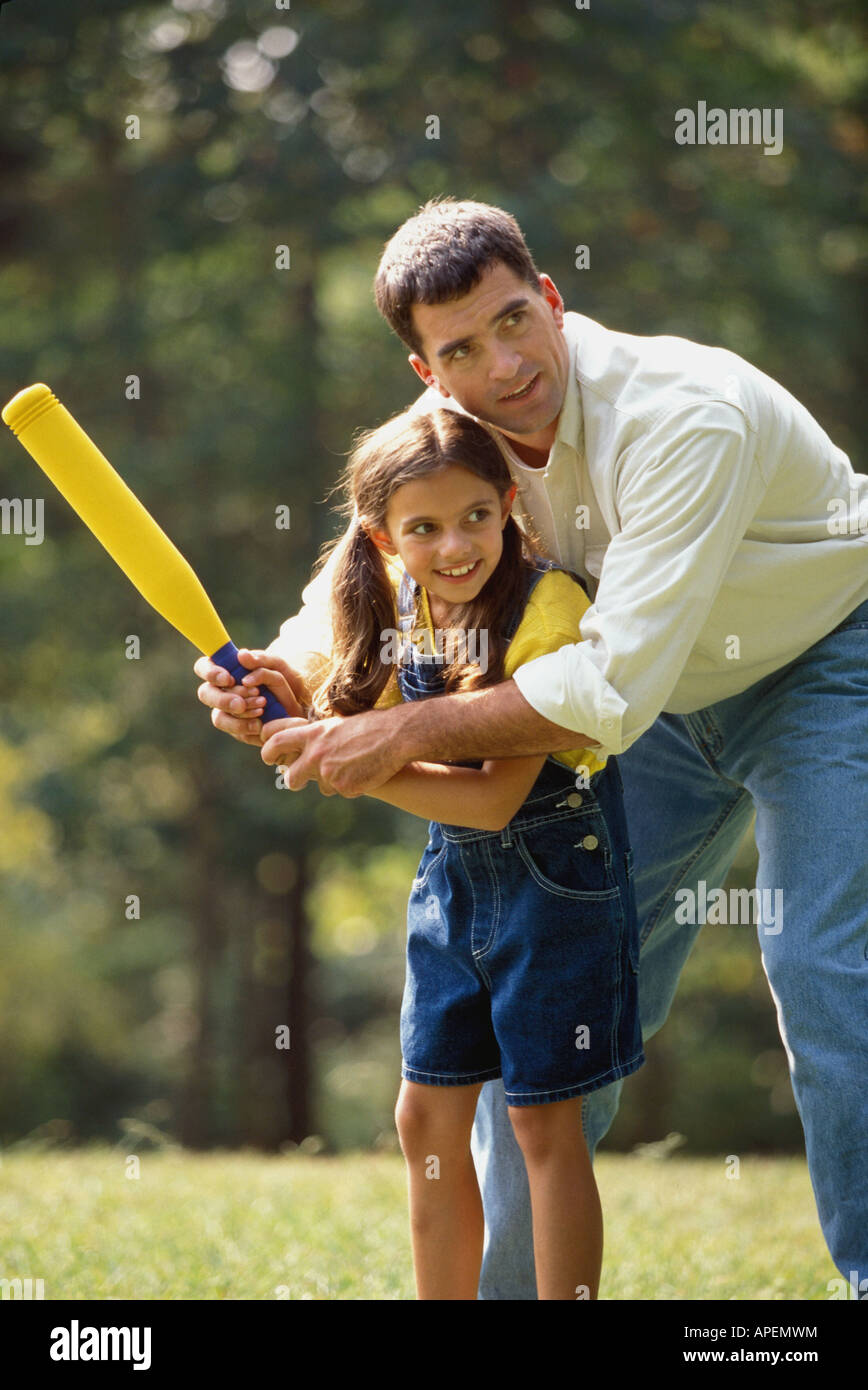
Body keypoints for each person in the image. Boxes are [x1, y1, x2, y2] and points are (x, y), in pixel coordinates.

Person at [196, 199, 868, 1299]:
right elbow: (365, 573)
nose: (504, 366)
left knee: (825, 968)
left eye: (515, 322)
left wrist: (389, 732)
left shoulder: (685, 414)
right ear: (426, 372)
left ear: (550, 299)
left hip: (821, 660)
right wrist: (287, 674)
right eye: (460, 349)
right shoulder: (460, 441)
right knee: (539, 1004)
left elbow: (600, 689)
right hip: (632, 705)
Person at [242, 405, 643, 1299]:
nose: (456, 545)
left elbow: (499, 796)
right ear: (384, 536)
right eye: (423, 528)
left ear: (510, 506)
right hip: (452, 885)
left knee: (544, 1125)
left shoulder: (548, 607)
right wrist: (281, 705)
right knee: (425, 1116)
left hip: (557, 882)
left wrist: (351, 764)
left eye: (475, 517)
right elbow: (346, 720)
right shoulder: (399, 613)